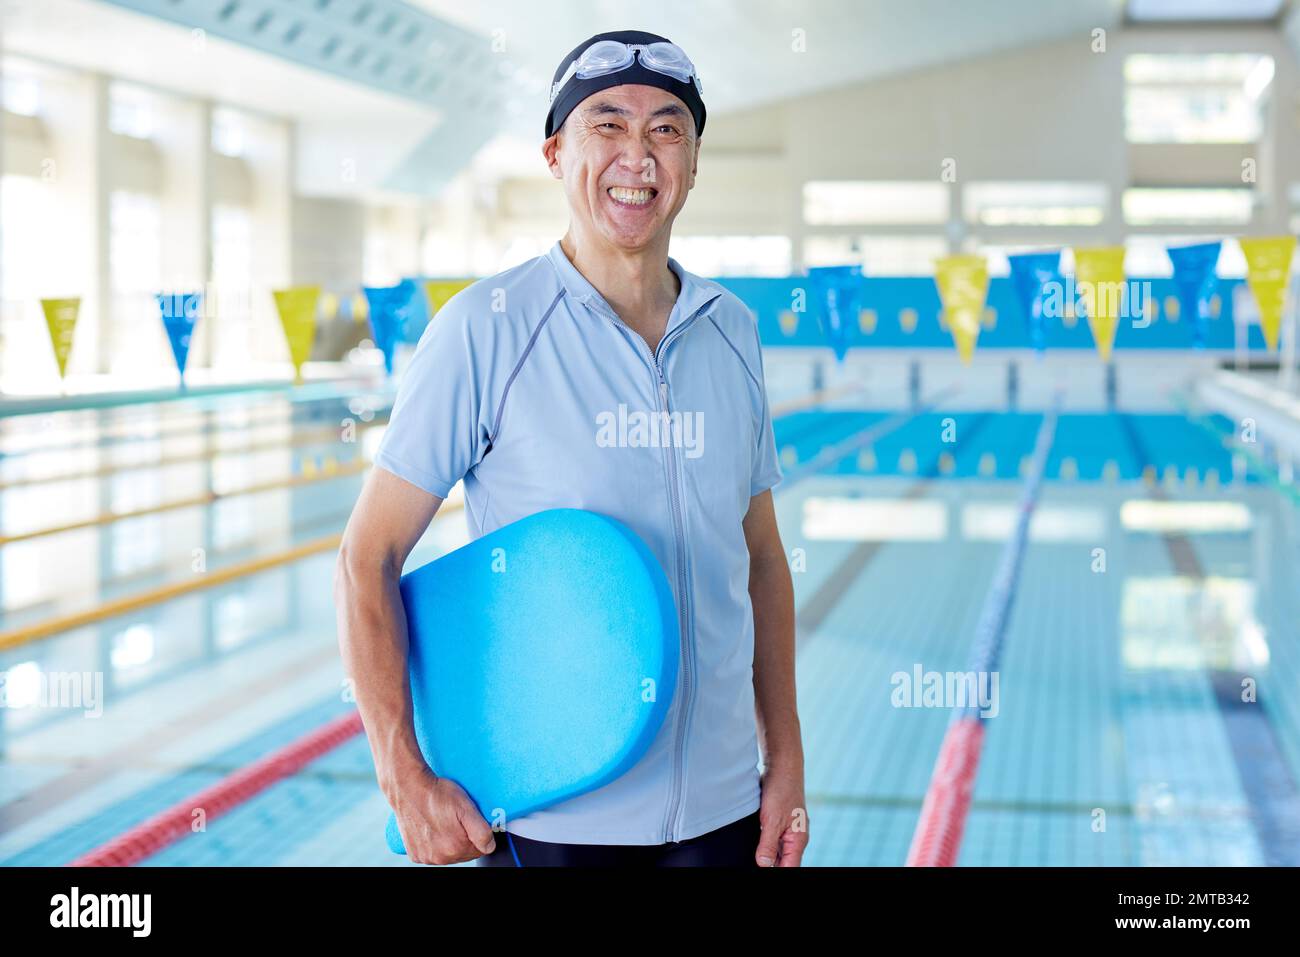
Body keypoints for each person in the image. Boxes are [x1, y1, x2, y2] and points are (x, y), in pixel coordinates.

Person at [335, 29, 806, 867]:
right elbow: (365, 557)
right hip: (556, 820)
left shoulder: (732, 331)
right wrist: (403, 776)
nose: (638, 156)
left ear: (694, 163)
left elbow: (762, 559)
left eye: (667, 129)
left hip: (726, 816)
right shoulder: (486, 330)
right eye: (606, 126)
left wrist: (787, 760)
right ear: (555, 153)